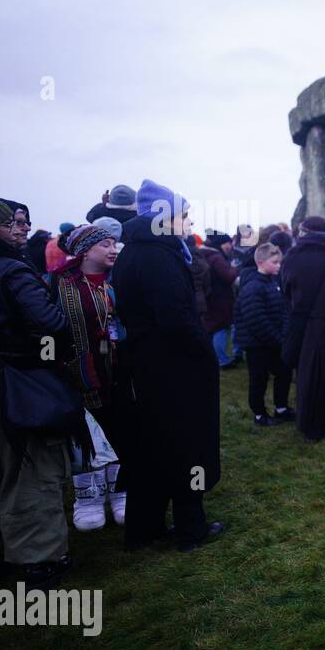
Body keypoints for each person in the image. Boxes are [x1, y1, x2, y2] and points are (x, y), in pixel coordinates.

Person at [111, 180, 224, 552]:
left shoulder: (137, 251)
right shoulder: (158, 256)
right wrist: (204, 352)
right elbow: (175, 318)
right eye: (184, 215)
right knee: (185, 442)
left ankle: (147, 529)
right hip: (173, 367)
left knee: (156, 444)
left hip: (150, 364)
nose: (189, 222)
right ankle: (192, 528)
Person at [0, 198, 76, 585]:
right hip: (20, 383)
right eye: (14, 222)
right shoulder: (13, 271)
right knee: (32, 469)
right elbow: (50, 322)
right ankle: (37, 559)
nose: (23, 229)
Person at [52, 225, 131, 529]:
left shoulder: (111, 285)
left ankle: (119, 491)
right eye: (106, 245)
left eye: (115, 244)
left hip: (114, 372)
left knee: (117, 428)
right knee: (85, 435)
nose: (113, 250)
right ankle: (88, 496)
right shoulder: (61, 284)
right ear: (85, 250)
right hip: (77, 375)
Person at [280, 215, 325, 441]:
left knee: (307, 375)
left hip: (304, 322)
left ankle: (310, 426)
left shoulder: (291, 258)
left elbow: (287, 289)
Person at [234, 243, 294, 428]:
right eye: (275, 262)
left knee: (284, 373)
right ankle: (259, 414)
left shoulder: (273, 283)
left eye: (279, 262)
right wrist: (277, 339)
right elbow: (256, 319)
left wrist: (283, 334)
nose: (278, 266)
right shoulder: (253, 287)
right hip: (257, 345)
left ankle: (281, 408)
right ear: (260, 262)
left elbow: (284, 310)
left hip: (275, 342)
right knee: (258, 379)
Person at [198, 231, 241, 369]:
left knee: (211, 328)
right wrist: (235, 268)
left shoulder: (202, 254)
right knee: (220, 328)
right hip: (220, 298)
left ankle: (211, 357)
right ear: (222, 243)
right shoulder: (216, 257)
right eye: (228, 243)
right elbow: (228, 276)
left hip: (209, 296)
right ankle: (222, 360)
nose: (230, 246)